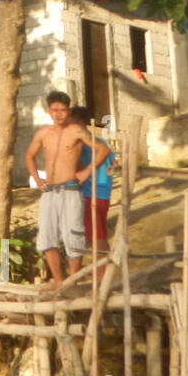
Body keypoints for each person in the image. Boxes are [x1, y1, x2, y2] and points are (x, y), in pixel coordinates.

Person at [24, 91, 97, 288]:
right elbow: (29, 155)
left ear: (68, 111)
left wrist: (87, 172)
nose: (58, 114)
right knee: (47, 238)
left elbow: (102, 150)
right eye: (54, 110)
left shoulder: (77, 131)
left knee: (74, 238)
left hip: (71, 191)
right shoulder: (43, 133)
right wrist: (38, 179)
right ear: (49, 111)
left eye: (63, 110)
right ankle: (59, 281)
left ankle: (72, 283)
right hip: (49, 192)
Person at [69, 107, 113, 276]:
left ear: (80, 123)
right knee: (100, 233)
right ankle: (105, 273)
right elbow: (113, 164)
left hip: (90, 193)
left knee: (97, 237)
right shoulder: (101, 141)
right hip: (104, 193)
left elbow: (76, 167)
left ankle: (102, 277)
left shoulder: (81, 144)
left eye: (71, 123)